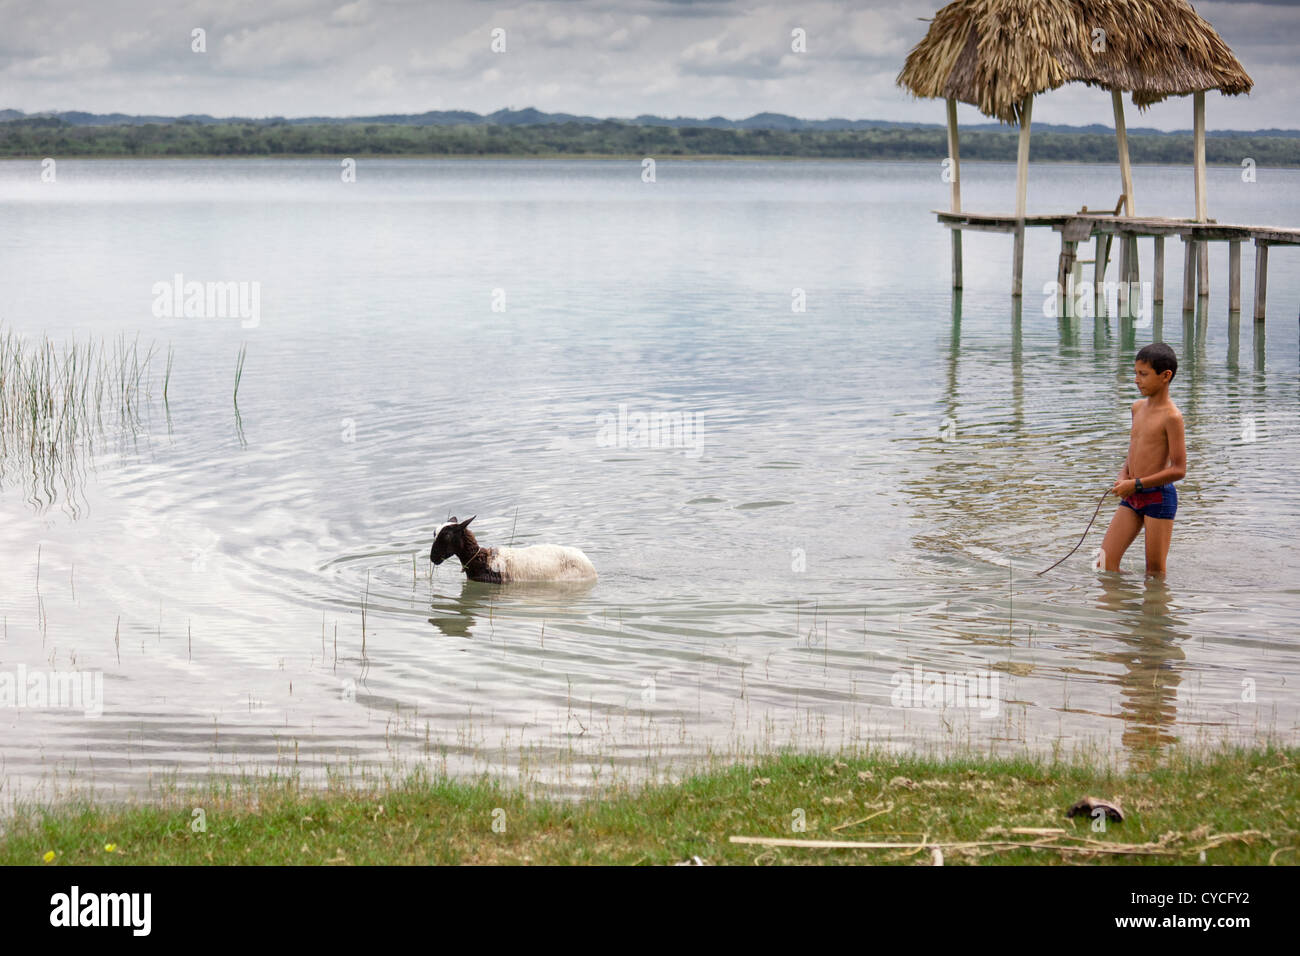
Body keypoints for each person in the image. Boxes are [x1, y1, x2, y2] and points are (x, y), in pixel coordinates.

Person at [1098, 343, 1187, 576]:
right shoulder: (1137, 408)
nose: (1137, 380)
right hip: (1132, 495)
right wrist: (1123, 476)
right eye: (1135, 373)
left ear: (1165, 376)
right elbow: (1133, 449)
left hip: (1158, 497)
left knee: (1154, 573)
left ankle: (1154, 611)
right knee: (1105, 564)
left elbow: (1179, 470)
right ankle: (1125, 610)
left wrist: (1136, 483)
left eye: (1144, 374)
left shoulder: (1172, 417)